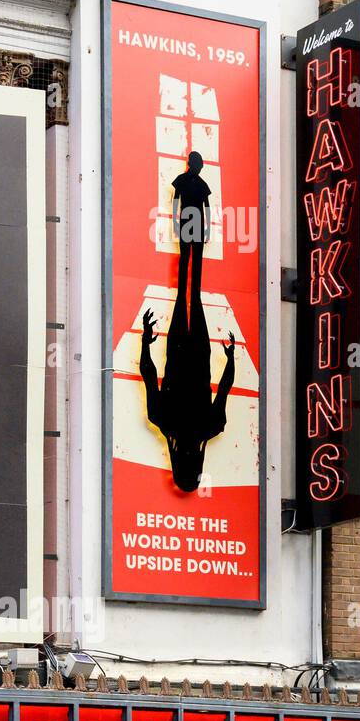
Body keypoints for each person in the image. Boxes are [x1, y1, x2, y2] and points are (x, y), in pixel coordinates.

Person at [139, 151, 235, 492]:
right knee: (187, 293)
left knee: (188, 291)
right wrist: (146, 343)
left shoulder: (209, 427)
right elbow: (149, 374)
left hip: (194, 351)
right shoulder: (163, 420)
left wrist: (231, 358)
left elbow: (223, 387)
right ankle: (190, 249)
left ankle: (189, 249)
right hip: (180, 347)